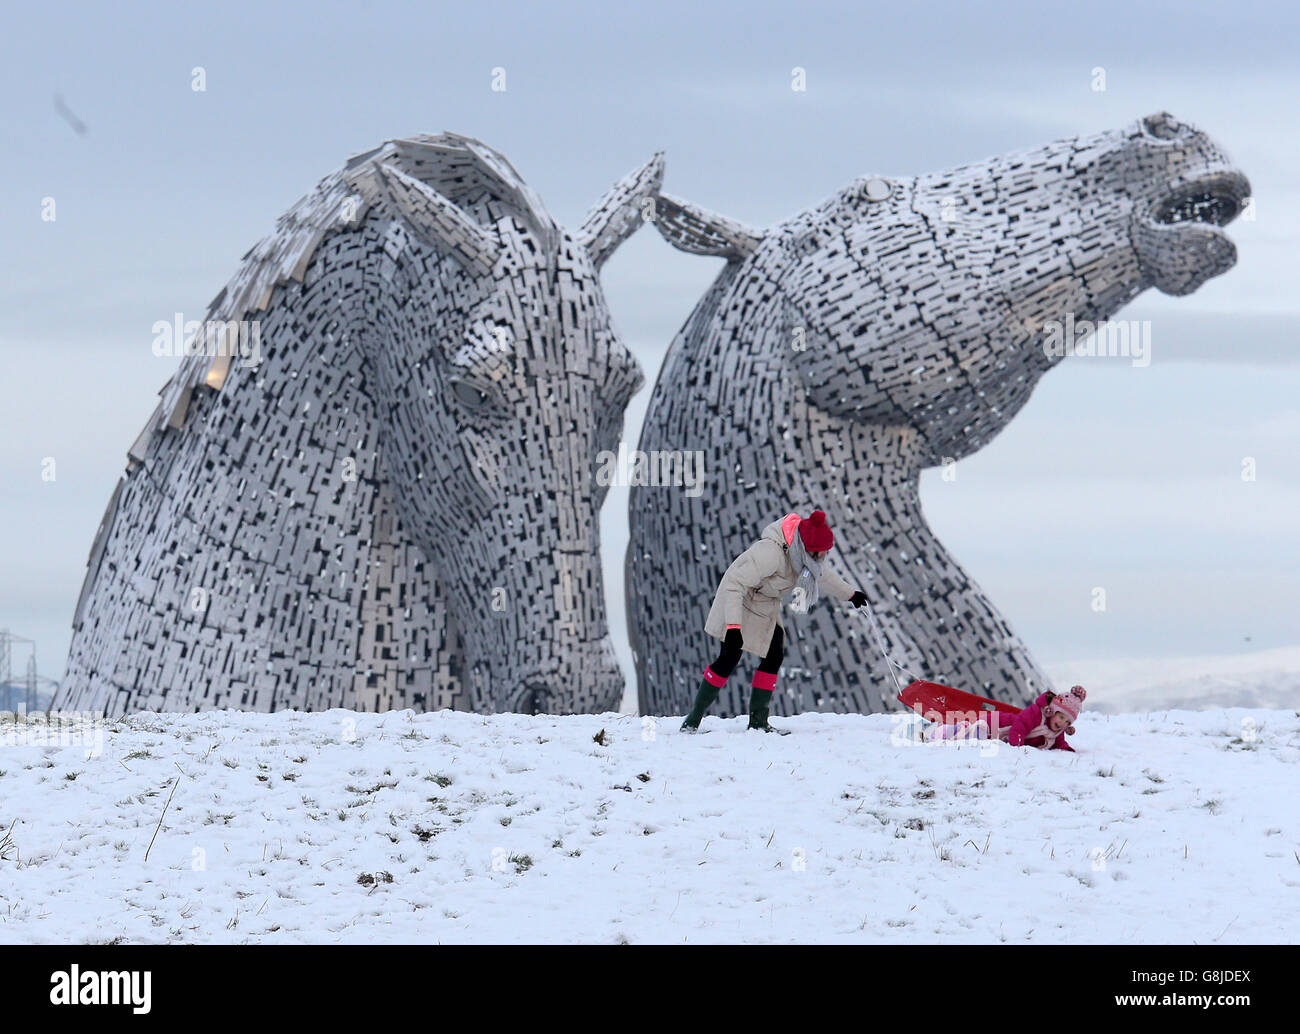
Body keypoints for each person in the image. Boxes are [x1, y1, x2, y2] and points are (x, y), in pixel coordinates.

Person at [680, 510, 869, 734]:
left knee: (774, 655)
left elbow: (824, 575)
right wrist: (733, 626)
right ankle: (692, 720)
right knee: (729, 658)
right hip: (738, 604)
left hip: (764, 606)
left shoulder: (806, 557)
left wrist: (851, 594)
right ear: (809, 548)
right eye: (822, 552)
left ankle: (758, 723)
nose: (824, 556)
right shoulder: (770, 553)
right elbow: (734, 585)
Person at [925, 686, 1086, 752]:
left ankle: (942, 737)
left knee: (975, 740)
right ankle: (939, 734)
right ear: (1052, 711)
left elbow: (1059, 744)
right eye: (1061, 717)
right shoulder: (1036, 714)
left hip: (1001, 735)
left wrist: (1067, 751)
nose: (1062, 723)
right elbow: (1020, 726)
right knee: (970, 733)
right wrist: (1017, 747)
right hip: (996, 724)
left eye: (1067, 722)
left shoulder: (1056, 731)